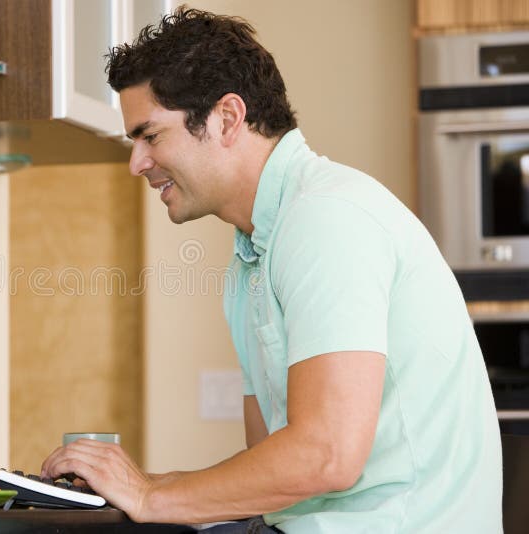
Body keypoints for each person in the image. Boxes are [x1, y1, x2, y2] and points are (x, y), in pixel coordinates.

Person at [40, 7, 503, 533]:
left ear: (227, 118)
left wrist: (151, 497)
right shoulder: (254, 253)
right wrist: (147, 485)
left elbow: (327, 455)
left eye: (150, 136)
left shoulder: (326, 218)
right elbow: (271, 464)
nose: (136, 163)